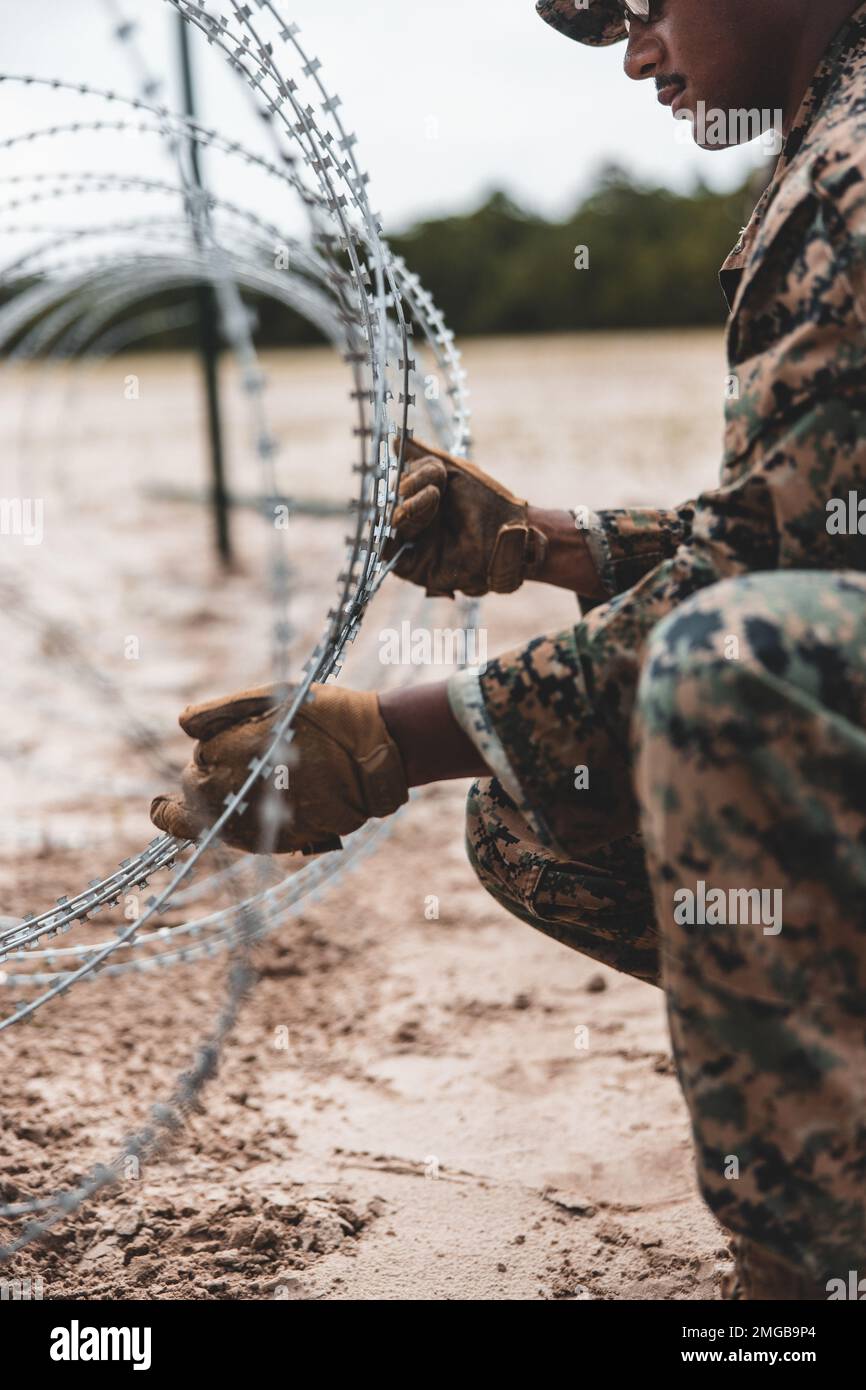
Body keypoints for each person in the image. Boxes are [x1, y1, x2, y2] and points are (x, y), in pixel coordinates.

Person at [151, 0, 866, 1300]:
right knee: (544, 812)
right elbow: (817, 533)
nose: (637, 53)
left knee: (723, 671)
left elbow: (767, 594)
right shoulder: (826, 140)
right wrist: (540, 545)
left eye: (643, 9)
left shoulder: (849, 179)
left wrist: (389, 743)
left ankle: (809, 1274)